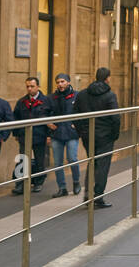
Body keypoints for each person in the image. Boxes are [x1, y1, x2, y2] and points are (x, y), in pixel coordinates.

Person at [73, 66, 120, 208]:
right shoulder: (109, 95)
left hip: (88, 135)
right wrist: (114, 134)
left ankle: (88, 194)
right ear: (107, 78)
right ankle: (98, 196)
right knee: (103, 165)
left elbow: (75, 114)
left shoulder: (82, 94)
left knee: (92, 162)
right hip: (105, 136)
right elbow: (115, 117)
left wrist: (81, 131)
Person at [12, 76, 52, 195]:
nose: (29, 89)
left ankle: (39, 182)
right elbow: (16, 118)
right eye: (27, 86)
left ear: (38, 86)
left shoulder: (46, 101)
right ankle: (20, 184)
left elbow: (50, 119)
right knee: (22, 160)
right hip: (25, 135)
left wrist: (49, 135)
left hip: (40, 136)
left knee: (40, 160)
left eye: (32, 86)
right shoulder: (22, 102)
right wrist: (16, 133)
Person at [48, 72, 80, 197]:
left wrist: (77, 125)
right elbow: (44, 112)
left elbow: (83, 112)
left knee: (72, 158)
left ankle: (76, 181)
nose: (60, 84)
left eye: (62, 81)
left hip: (71, 133)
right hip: (56, 133)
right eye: (58, 82)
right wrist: (48, 123)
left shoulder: (77, 96)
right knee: (57, 162)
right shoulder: (52, 97)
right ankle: (62, 188)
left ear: (68, 82)